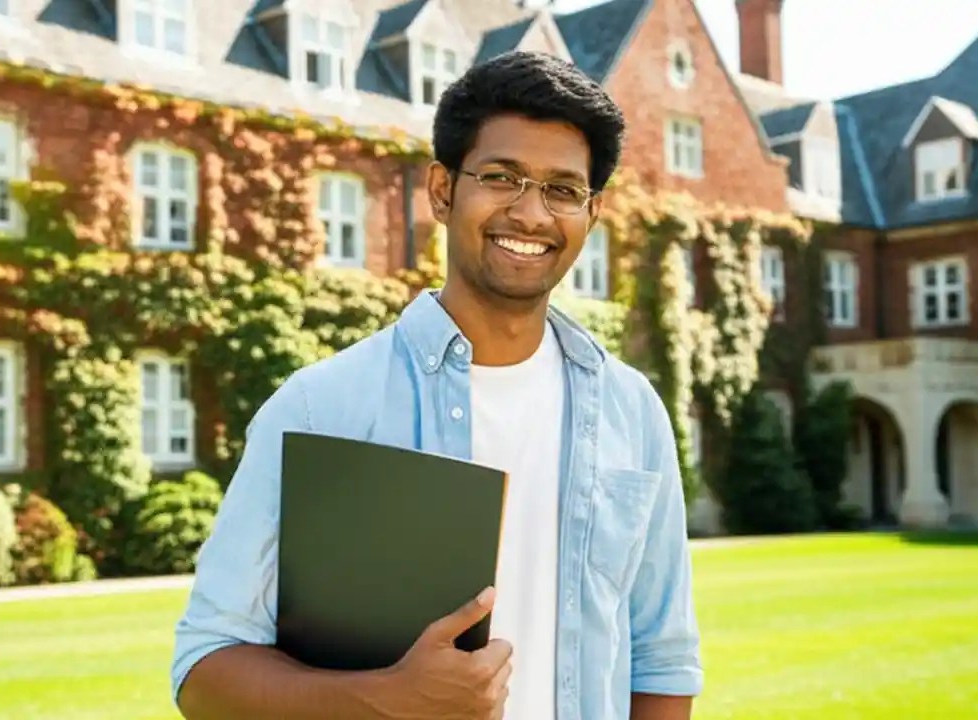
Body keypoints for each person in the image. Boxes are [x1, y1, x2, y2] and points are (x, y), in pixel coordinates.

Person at [171, 50, 703, 720]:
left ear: (591, 214)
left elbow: (662, 657)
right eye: (502, 177)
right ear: (443, 190)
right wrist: (388, 700)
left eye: (562, 190)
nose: (532, 214)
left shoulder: (635, 412)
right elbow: (204, 670)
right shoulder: (321, 407)